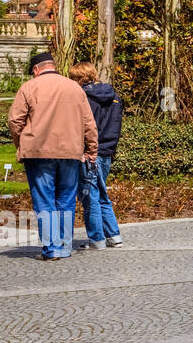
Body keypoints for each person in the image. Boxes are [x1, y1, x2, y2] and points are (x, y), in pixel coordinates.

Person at [7, 52, 98, 260]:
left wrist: (21, 143)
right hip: (70, 152)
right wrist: (91, 150)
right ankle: (65, 246)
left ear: (36, 69)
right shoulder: (74, 88)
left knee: (44, 201)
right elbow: (89, 124)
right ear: (52, 66)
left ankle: (52, 248)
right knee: (66, 200)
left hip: (38, 152)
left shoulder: (29, 87)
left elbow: (14, 121)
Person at [68, 61, 123, 250]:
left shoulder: (84, 97)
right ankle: (114, 236)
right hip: (107, 151)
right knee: (101, 194)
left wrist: (84, 150)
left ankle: (97, 239)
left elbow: (84, 127)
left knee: (89, 195)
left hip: (90, 152)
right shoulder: (114, 96)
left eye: (73, 78)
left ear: (80, 78)